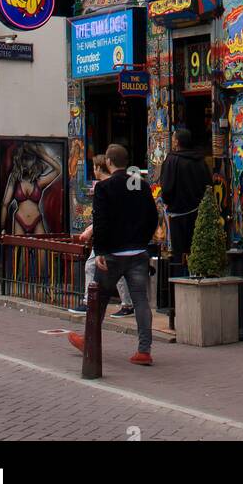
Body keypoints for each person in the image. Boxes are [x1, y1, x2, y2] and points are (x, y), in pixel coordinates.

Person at [67, 143, 158, 366]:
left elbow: (101, 222)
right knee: (141, 301)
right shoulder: (141, 186)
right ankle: (144, 350)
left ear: (108, 161)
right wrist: (142, 240)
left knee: (99, 299)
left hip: (113, 254)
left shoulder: (104, 188)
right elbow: (153, 218)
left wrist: (100, 250)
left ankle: (89, 341)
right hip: (138, 251)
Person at [68, 155, 133, 317]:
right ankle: (123, 303)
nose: (93, 171)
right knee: (107, 268)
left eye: (94, 168)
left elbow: (104, 215)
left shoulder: (104, 187)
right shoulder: (119, 184)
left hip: (108, 237)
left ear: (99, 168)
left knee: (100, 267)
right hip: (116, 235)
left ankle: (93, 303)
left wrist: (91, 230)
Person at [159, 128, 212, 264]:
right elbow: (208, 185)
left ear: (176, 141)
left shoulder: (172, 160)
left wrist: (168, 202)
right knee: (196, 248)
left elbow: (166, 188)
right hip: (198, 212)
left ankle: (180, 277)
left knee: (179, 251)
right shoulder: (200, 161)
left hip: (178, 213)